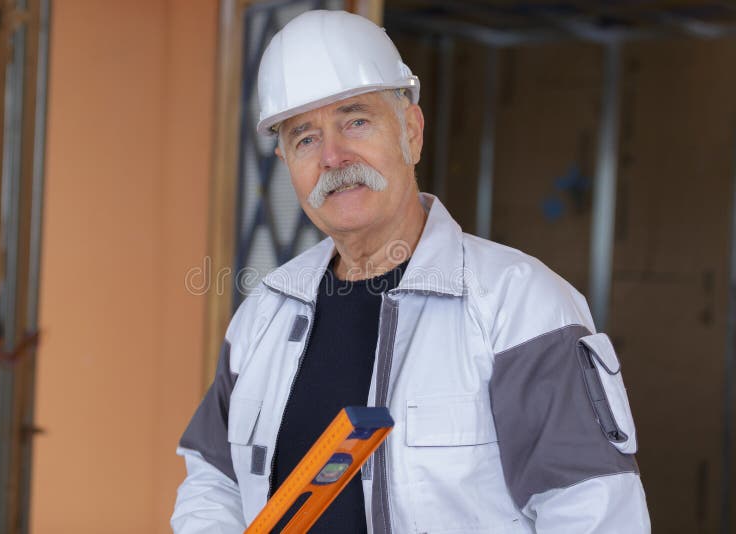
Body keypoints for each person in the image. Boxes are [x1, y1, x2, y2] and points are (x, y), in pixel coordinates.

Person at [171, 9, 650, 534]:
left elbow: (595, 514)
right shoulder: (263, 312)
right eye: (305, 137)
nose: (333, 155)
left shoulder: (520, 306)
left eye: (356, 120)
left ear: (411, 133)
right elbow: (214, 480)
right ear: (287, 162)